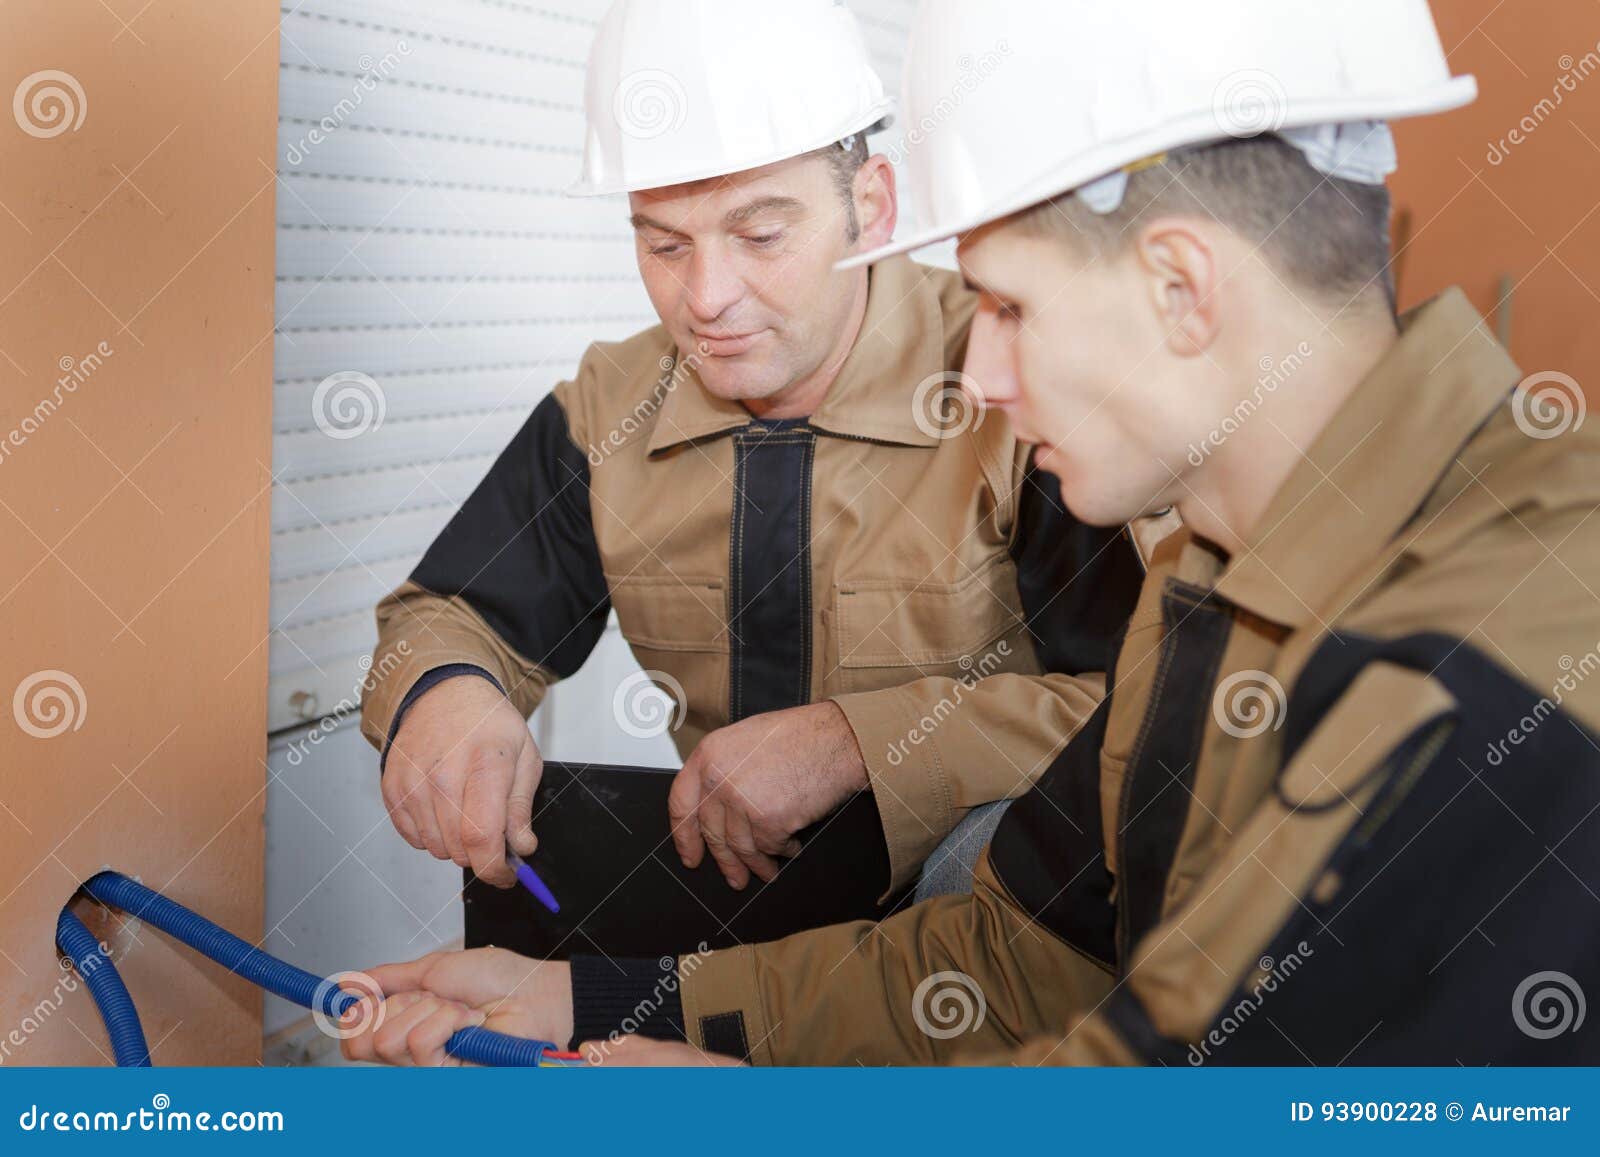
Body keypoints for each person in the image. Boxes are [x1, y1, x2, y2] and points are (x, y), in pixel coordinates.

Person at [343, 0, 1600, 1067]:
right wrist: (590, 1001)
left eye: (1005, 302)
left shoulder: (1502, 649)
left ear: (1181, 286)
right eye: (664, 244)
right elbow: (1021, 958)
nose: (980, 373)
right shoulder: (1206, 582)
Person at [356, 0, 1145, 962]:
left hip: (992, 933)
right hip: (747, 909)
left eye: (761, 236)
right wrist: (444, 695)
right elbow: (453, 610)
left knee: (983, 872)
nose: (706, 299)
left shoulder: (1008, 381)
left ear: (875, 207)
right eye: (663, 244)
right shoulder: (607, 410)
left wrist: (860, 740)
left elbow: (1151, 706)